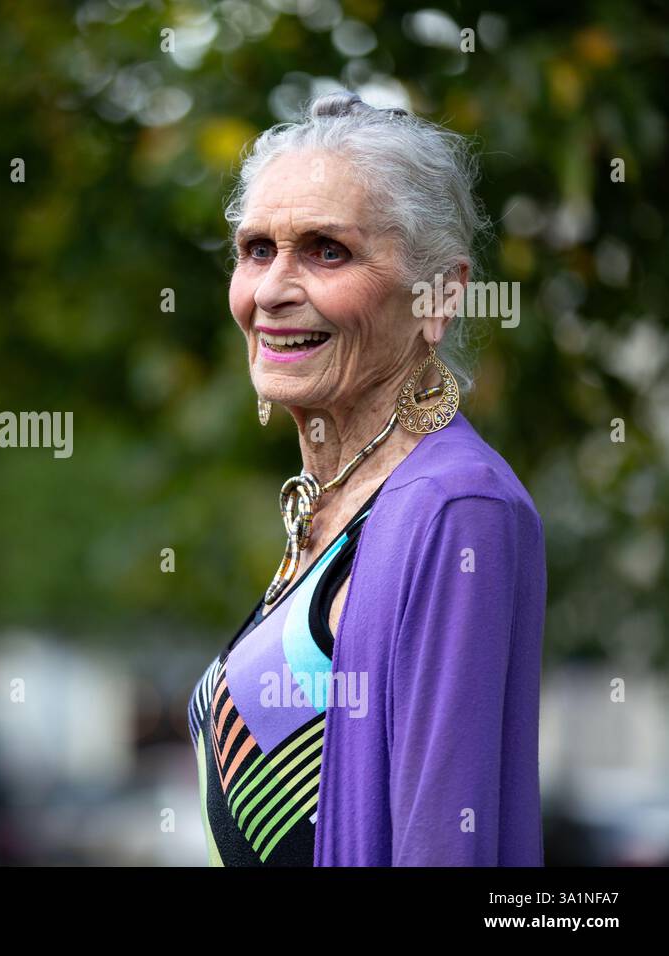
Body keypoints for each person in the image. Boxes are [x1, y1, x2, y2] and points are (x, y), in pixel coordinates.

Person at [188, 91, 546, 866]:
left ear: (440, 296)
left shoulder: (455, 509)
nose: (273, 291)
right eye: (256, 250)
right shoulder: (344, 504)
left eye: (326, 251)